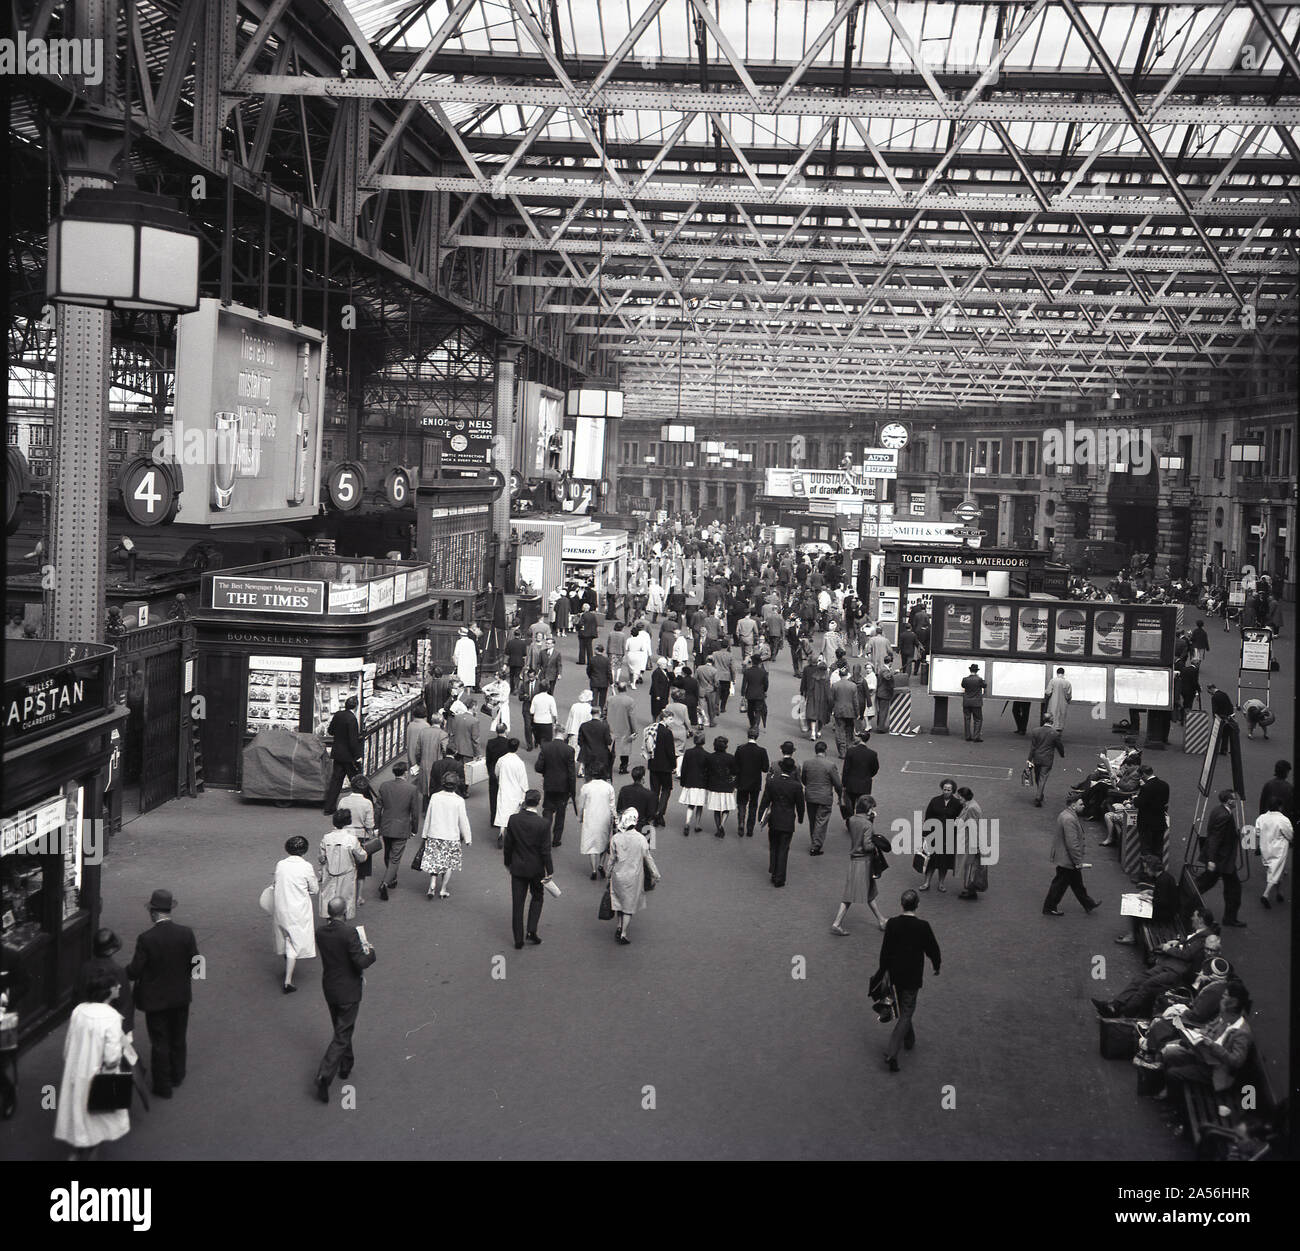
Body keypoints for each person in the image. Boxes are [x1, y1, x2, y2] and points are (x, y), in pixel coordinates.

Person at [126, 888, 199, 1099]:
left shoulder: (146, 939)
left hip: (154, 999)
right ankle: (178, 1074)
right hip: (180, 996)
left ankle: (163, 1085)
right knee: (178, 1037)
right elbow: (197, 964)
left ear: (153, 913)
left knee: (159, 1041)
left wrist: (123, 974)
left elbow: (135, 970)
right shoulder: (186, 933)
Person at [54, 971, 130, 1160]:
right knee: (98, 1121)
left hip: (77, 1069)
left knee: (79, 1114)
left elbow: (69, 1044)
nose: (119, 987)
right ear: (107, 991)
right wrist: (113, 1071)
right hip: (99, 1073)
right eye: (115, 986)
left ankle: (77, 1153)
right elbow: (112, 1055)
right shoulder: (111, 1017)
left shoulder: (79, 1011)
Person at [1094, 907, 1218, 1016]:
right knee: (1140, 979)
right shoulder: (1201, 934)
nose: (1192, 918)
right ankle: (1115, 1005)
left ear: (1200, 920)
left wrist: (1168, 949)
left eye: (1194, 916)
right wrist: (1178, 943)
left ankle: (1123, 1011)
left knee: (1147, 984)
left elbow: (1187, 954)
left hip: (1176, 971)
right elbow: (1189, 947)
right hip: (1171, 965)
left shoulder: (1205, 937)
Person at [314, 896, 376, 1103]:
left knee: (341, 1028)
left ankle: (346, 1065)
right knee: (342, 1033)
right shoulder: (349, 933)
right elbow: (361, 962)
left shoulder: (321, 933)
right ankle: (325, 1074)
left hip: (330, 987)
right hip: (348, 990)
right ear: (345, 911)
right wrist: (370, 951)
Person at [1150, 983, 1253, 1101]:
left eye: (1224, 996)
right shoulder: (1225, 1015)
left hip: (1215, 1070)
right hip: (1203, 1055)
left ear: (1233, 1002)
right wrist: (1198, 1033)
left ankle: (1175, 1107)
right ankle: (1167, 1089)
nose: (1221, 999)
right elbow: (1209, 1028)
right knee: (1168, 1053)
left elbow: (1236, 1061)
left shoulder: (1242, 1032)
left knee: (1174, 1074)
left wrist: (1213, 1046)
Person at [877, 889, 942, 1073]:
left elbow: (885, 951)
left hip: (896, 974)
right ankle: (892, 1052)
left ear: (901, 904)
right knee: (907, 1011)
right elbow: (932, 949)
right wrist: (936, 965)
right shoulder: (923, 926)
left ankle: (909, 1039)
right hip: (913, 975)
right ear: (917, 905)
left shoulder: (892, 924)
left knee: (905, 1008)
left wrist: (883, 972)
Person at [831, 796, 889, 934]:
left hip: (854, 860)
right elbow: (867, 845)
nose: (873, 810)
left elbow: (858, 832)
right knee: (850, 895)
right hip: (864, 862)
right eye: (872, 808)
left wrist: (870, 819)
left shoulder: (852, 820)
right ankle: (837, 923)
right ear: (868, 809)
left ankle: (881, 919)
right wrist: (876, 843)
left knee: (869, 891)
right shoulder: (867, 824)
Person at [503, 790, 553, 949]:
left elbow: (508, 845)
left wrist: (507, 862)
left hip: (517, 866)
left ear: (525, 801)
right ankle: (531, 930)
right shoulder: (544, 823)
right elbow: (545, 850)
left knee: (518, 902)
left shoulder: (513, 819)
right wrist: (549, 869)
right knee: (537, 896)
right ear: (538, 802)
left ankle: (518, 939)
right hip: (536, 868)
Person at [607, 808, 661, 945]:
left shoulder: (616, 838)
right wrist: (655, 874)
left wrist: (608, 873)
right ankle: (623, 933)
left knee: (619, 903)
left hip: (618, 875)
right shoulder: (641, 839)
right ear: (635, 822)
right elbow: (648, 858)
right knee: (629, 906)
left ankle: (619, 926)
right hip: (633, 877)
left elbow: (612, 859)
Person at [1042, 794, 1103, 916]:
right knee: (1060, 884)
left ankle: (1088, 903)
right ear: (1073, 805)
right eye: (1081, 804)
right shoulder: (1069, 819)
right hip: (1067, 859)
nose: (1083, 806)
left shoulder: (1066, 814)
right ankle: (1049, 907)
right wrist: (1077, 861)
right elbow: (1072, 843)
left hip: (1065, 857)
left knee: (1077, 883)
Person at [272, 836, 319, 990]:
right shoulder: (306, 867)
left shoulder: (281, 864)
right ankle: (288, 981)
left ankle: (287, 956)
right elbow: (314, 889)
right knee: (294, 941)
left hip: (281, 906)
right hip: (298, 910)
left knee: (286, 936)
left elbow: (276, 883)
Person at [419, 772, 472, 899]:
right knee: (449, 864)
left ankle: (432, 884)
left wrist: (425, 833)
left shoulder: (435, 797)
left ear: (443, 783)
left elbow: (429, 816)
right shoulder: (459, 801)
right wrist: (468, 838)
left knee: (434, 860)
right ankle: (442, 889)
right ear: (456, 785)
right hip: (451, 836)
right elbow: (463, 820)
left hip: (434, 833)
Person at [1197, 788, 1246, 927]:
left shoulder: (1218, 810)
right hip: (1223, 860)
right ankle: (1230, 919)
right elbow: (1215, 838)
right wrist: (1212, 859)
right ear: (1229, 801)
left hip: (1219, 859)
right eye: (1234, 799)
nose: (1235, 801)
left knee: (1205, 883)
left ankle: (1185, 899)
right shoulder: (1225, 816)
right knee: (1233, 890)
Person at [376, 762, 422, 899]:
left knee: (387, 853)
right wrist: (414, 829)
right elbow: (414, 812)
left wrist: (377, 825)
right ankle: (385, 882)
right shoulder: (412, 789)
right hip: (402, 827)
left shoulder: (384, 786)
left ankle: (392, 878)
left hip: (386, 825)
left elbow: (378, 808)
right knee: (395, 858)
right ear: (406, 773)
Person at [758, 758, 806, 888]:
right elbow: (800, 805)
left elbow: (765, 800)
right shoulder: (796, 786)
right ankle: (780, 876)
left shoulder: (772, 782)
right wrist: (801, 817)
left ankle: (773, 870)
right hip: (788, 820)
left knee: (773, 846)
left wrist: (760, 815)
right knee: (784, 848)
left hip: (774, 818)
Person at [78, 929, 134, 1038]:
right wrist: (125, 1029)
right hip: (110, 1023)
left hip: (87, 1021)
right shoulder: (117, 971)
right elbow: (124, 1002)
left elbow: (78, 995)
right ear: (112, 950)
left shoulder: (85, 968)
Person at [336, 774, 377, 906]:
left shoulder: (343, 801)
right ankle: (359, 896)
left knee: (345, 866)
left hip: (344, 835)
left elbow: (338, 818)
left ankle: (343, 894)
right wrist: (372, 836)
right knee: (362, 869)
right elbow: (370, 825)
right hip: (361, 836)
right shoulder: (367, 803)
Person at [319, 810, 367, 919]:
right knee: (345, 899)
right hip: (346, 874)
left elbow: (321, 858)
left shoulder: (326, 838)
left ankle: (329, 922)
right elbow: (361, 857)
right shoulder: (351, 839)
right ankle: (342, 923)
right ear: (348, 822)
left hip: (330, 874)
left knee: (328, 898)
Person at [536, 733, 578, 847]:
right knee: (561, 813)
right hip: (563, 787)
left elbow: (538, 767)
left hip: (549, 784)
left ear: (554, 733)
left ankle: (544, 835)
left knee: (548, 810)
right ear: (563, 735)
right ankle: (556, 839)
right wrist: (572, 791)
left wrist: (547, 771)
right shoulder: (569, 750)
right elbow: (571, 774)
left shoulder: (546, 747)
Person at [801, 740, 842, 856]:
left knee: (813, 820)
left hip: (810, 796)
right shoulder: (830, 765)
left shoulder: (807, 763)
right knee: (821, 821)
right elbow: (837, 784)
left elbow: (803, 779)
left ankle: (814, 840)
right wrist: (840, 795)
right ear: (825, 751)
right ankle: (816, 846)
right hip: (824, 797)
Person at [322, 696, 362, 815]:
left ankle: (329, 807)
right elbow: (352, 740)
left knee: (336, 781)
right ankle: (365, 804)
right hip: (348, 756)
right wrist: (357, 756)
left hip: (338, 753)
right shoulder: (352, 719)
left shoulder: (338, 715)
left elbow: (331, 731)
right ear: (355, 706)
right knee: (357, 781)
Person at [920, 779, 961, 892]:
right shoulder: (935, 801)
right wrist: (924, 835)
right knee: (931, 860)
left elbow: (960, 819)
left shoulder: (957, 804)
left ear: (953, 791)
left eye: (949, 790)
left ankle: (941, 883)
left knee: (944, 861)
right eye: (944, 789)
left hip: (949, 836)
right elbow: (928, 818)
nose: (946, 792)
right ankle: (926, 882)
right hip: (934, 835)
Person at [578, 767, 617, 880]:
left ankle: (594, 870)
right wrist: (615, 818)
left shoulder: (586, 787)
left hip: (590, 817)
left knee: (592, 844)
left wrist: (580, 816)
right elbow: (612, 805)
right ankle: (601, 864)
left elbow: (581, 804)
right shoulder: (609, 787)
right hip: (604, 817)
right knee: (604, 841)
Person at [1257, 796, 1293, 910]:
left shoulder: (1261, 818)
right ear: (1280, 807)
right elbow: (1290, 835)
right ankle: (1266, 894)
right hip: (1279, 849)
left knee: (1276, 870)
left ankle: (1279, 893)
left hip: (1265, 848)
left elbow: (1257, 832)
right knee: (1275, 871)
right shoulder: (1283, 820)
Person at [408, 705, 447, 810]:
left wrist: (420, 760)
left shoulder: (423, 732)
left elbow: (418, 750)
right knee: (435, 788)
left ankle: (425, 809)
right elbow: (445, 751)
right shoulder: (443, 734)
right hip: (437, 764)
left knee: (425, 789)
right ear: (441, 722)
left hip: (424, 764)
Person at [493, 737, 529, 851]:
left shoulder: (502, 760)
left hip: (504, 788)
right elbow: (523, 781)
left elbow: (496, 772)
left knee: (503, 811)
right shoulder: (519, 762)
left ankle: (501, 832)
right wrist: (525, 792)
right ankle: (512, 837)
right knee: (514, 813)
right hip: (516, 791)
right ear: (517, 748)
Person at [733, 727, 769, 839]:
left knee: (741, 803)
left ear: (747, 735)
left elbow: (735, 767)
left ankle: (741, 822)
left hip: (742, 781)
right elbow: (765, 768)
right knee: (753, 805)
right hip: (755, 783)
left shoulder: (740, 749)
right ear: (757, 737)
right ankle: (750, 828)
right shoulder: (762, 751)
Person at [646, 709, 678, 827]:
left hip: (653, 764)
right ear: (664, 718)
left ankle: (654, 812)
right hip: (665, 767)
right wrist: (674, 765)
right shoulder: (667, 733)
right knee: (666, 789)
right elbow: (670, 751)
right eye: (670, 719)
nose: (672, 721)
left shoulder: (652, 728)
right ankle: (660, 813)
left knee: (654, 790)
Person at [1131, 765, 1171, 859]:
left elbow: (1139, 803)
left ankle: (1147, 871)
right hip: (1160, 821)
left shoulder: (1146, 787)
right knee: (1158, 848)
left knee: (1146, 849)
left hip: (1146, 823)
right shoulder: (1165, 785)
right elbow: (1165, 801)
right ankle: (1157, 870)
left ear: (1144, 774)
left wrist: (1135, 799)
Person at [678, 731, 712, 838]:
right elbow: (708, 771)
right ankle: (697, 824)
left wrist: (683, 781)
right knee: (700, 805)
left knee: (691, 804)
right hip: (701, 783)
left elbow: (684, 768)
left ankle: (687, 822)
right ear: (704, 742)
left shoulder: (688, 752)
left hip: (690, 781)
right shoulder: (707, 755)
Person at [1027, 714, 1065, 807]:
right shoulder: (1055, 733)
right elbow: (1059, 746)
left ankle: (1039, 794)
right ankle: (1038, 796)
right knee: (1042, 778)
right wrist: (1062, 754)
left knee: (1037, 776)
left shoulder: (1035, 731)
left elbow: (1033, 747)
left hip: (1037, 758)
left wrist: (1029, 759)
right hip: (1047, 759)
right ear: (1051, 721)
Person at [842, 729, 879, 822]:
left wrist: (844, 783)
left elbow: (846, 769)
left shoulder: (851, 751)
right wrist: (868, 775)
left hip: (851, 783)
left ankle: (850, 822)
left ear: (859, 738)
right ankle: (861, 822)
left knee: (850, 804)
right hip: (865, 783)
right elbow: (875, 769)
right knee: (863, 804)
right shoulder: (872, 754)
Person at [705, 735, 738, 838]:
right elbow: (735, 771)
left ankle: (718, 826)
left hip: (714, 785)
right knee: (726, 808)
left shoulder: (710, 757)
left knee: (716, 809)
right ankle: (722, 825)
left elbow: (707, 771)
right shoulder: (731, 758)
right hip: (727, 786)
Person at [606, 681, 639, 776]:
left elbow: (604, 712)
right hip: (624, 726)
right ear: (626, 689)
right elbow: (632, 717)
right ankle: (623, 767)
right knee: (625, 748)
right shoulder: (630, 701)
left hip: (611, 726)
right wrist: (635, 730)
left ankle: (609, 766)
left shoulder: (610, 699)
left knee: (611, 747)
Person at [577, 709, 615, 781]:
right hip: (601, 755)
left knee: (588, 777)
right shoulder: (604, 726)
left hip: (587, 754)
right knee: (601, 776)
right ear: (599, 713)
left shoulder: (584, 725)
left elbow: (580, 741)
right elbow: (608, 741)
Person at [741, 653, 769, 731]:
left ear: (752, 662)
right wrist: (764, 690)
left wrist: (743, 694)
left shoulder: (747, 671)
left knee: (750, 710)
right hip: (759, 694)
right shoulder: (763, 672)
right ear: (760, 662)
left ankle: (752, 723)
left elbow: (744, 684)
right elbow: (766, 684)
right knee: (758, 710)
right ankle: (756, 725)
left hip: (749, 694)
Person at [960, 664, 986, 741]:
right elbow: (985, 685)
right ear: (977, 671)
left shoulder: (965, 679)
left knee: (967, 719)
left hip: (967, 702)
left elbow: (963, 686)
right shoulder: (979, 679)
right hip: (976, 702)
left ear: (970, 670)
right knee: (978, 719)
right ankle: (976, 737)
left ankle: (967, 736)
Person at [529, 680, 558, 744]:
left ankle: (537, 742)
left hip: (537, 721)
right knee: (548, 741)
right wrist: (555, 721)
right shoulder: (551, 698)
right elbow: (554, 712)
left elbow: (531, 711)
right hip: (547, 721)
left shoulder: (535, 697)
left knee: (538, 738)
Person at [711, 643, 735, 712]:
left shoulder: (714, 654)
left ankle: (716, 706)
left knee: (717, 692)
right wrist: (733, 678)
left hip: (717, 675)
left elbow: (712, 663)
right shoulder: (730, 655)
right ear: (727, 646)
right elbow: (732, 668)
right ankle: (723, 707)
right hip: (726, 676)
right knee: (726, 692)